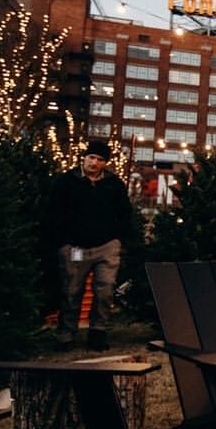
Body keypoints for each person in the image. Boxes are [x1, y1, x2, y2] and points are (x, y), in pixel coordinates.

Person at [46, 140, 132, 350]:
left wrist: (119, 239)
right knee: (72, 289)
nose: (94, 162)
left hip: (107, 246)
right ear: (84, 158)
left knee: (105, 290)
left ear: (105, 163)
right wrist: (62, 241)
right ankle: (66, 334)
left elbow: (125, 213)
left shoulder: (114, 184)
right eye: (91, 157)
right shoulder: (65, 182)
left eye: (100, 159)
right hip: (76, 247)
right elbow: (53, 212)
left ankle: (98, 332)